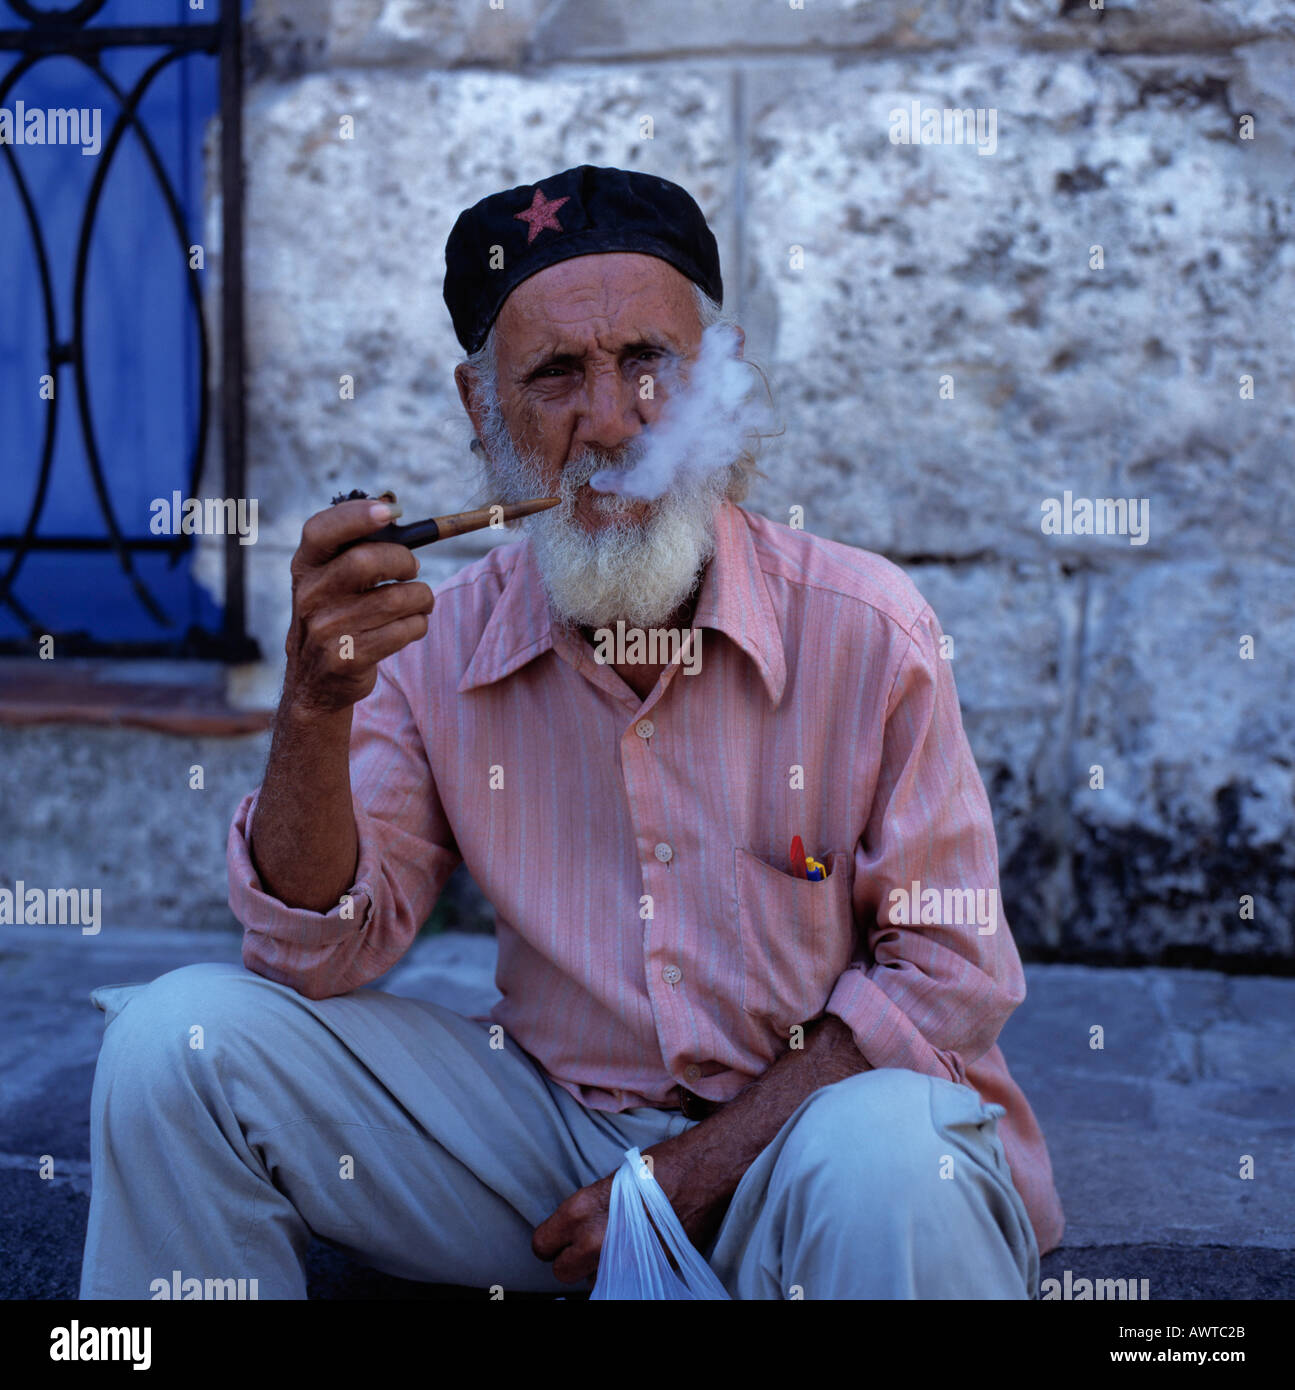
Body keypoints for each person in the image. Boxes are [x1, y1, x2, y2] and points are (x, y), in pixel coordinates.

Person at [80, 164, 1063, 1300]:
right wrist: (310, 708)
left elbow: (947, 976)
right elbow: (315, 952)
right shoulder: (438, 648)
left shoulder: (866, 628)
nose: (608, 423)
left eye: (647, 362)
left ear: (715, 376)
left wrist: (686, 1173)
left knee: (896, 1160)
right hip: (548, 1160)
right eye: (553, 376)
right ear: (478, 408)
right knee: (176, 1041)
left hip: (810, 1147)